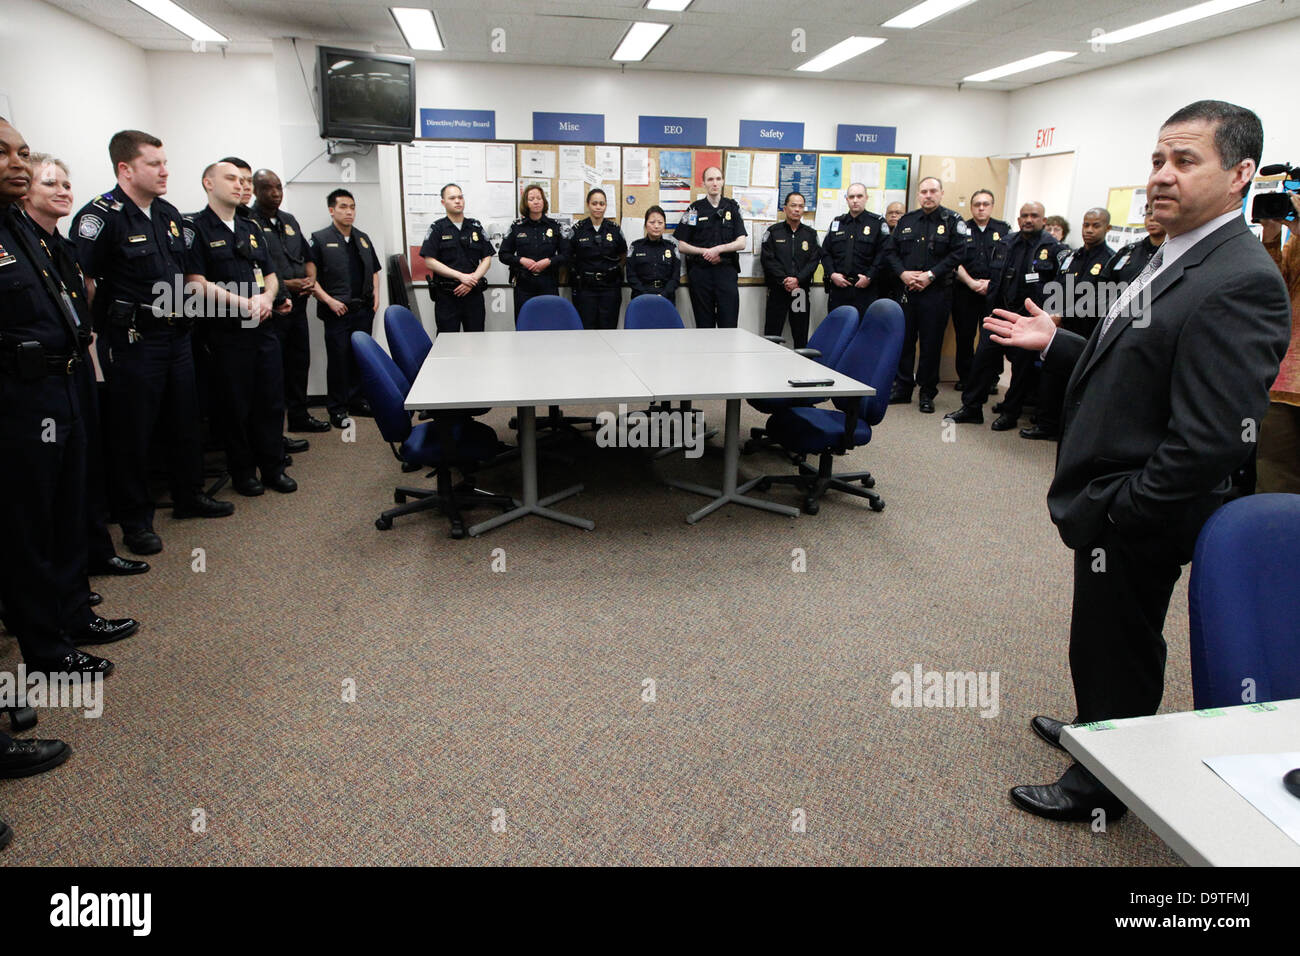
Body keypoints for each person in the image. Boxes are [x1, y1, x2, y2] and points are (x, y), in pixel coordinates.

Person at [984, 101, 1291, 822]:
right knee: (1105, 630)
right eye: (1157, 159)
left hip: (1141, 503)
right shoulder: (1174, 250)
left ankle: (1103, 783)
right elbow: (1134, 365)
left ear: (1241, 175)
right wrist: (1058, 343)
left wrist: (1126, 508)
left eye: (1185, 161)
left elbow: (1214, 435)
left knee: (1120, 633)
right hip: (1115, 490)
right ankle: (1103, 730)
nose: (1162, 176)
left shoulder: (1240, 279)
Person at [1, 116, 126, 690]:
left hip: (65, 384)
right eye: (5, 153)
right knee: (32, 526)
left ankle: (76, 613)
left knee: (70, 508)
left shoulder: (24, 230)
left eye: (23, 151)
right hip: (20, 399)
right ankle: (47, 650)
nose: (18, 163)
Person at [73, 129, 233, 557]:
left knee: (184, 421)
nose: (165, 171)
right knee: (132, 434)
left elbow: (182, 275)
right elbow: (82, 282)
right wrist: (94, 333)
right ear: (125, 169)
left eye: (165, 162)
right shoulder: (100, 217)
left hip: (176, 335)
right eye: (154, 164)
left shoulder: (166, 214)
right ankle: (135, 522)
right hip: (133, 339)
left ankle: (189, 496)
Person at [21, 153, 149, 579]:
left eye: (65, 185)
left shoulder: (63, 246)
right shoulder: (21, 246)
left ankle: (95, 554)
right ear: (25, 192)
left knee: (85, 468)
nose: (63, 192)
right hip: (36, 383)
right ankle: (59, 585)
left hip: (75, 370)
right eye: (50, 185)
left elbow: (83, 300)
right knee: (47, 485)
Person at [184, 161, 295, 496]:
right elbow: (194, 282)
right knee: (236, 406)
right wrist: (243, 303)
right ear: (208, 183)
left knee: (271, 401)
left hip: (262, 327)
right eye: (231, 179)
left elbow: (271, 274)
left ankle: (273, 468)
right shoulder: (195, 229)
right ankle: (244, 473)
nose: (239, 185)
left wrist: (267, 299)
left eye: (244, 180)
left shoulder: (250, 227)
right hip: (226, 332)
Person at [945, 202, 1063, 430]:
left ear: (1043, 220)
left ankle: (1010, 412)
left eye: (1034, 216)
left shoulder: (1054, 248)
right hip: (999, 314)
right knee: (982, 362)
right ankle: (971, 408)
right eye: (1024, 216)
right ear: (1018, 220)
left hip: (1028, 321)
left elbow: (1060, 286)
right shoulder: (1006, 243)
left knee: (1021, 369)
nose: (1029, 220)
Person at [1023, 207, 1116, 441]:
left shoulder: (1111, 260)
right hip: (1058, 326)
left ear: (1108, 228)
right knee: (1050, 375)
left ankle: (1068, 428)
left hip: (1085, 329)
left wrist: (1064, 315)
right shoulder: (1070, 257)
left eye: (1096, 225)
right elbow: (1055, 287)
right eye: (1086, 225)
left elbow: (1101, 299)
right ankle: (1046, 424)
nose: (1090, 230)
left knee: (1075, 380)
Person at [250, 168, 330, 434]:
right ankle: (276, 433)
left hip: (298, 307)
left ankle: (299, 416)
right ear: (255, 190)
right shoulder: (248, 223)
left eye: (279, 188)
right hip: (271, 312)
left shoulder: (289, 220)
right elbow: (254, 272)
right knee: (273, 372)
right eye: (268, 188)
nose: (275, 193)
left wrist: (310, 280)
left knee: (299, 363)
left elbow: (309, 259)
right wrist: (286, 285)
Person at [883, 177, 968, 413]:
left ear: (941, 193)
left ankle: (927, 393)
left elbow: (959, 253)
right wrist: (903, 275)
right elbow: (890, 252)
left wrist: (930, 275)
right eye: (923, 191)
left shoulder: (952, 221)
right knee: (905, 341)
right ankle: (903, 388)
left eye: (933, 191)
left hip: (937, 292)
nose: (928, 195)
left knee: (931, 344)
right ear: (918, 195)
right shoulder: (907, 220)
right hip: (908, 290)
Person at [310, 188, 382, 428]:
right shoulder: (319, 239)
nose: (349, 211)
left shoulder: (362, 238)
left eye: (352, 207)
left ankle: (357, 400)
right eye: (343, 207)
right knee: (339, 360)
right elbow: (310, 278)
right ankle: (337, 409)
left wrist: (376, 297)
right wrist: (328, 300)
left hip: (362, 310)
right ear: (331, 210)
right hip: (336, 311)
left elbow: (374, 270)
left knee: (360, 358)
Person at [1257, 193, 1300, 493]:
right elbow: (1275, 293)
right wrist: (1271, 237)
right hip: (1285, 382)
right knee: (1274, 481)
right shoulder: (1295, 240)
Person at [951, 189, 1011, 390]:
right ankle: (966, 377)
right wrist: (971, 283)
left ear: (992, 206)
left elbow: (1008, 262)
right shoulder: (961, 229)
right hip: (965, 291)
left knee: (991, 337)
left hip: (993, 293)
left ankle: (990, 379)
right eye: (977, 204)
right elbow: (953, 260)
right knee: (965, 337)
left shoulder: (1003, 230)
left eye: (986, 204)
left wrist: (990, 284)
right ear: (971, 207)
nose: (981, 208)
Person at [674, 166, 746, 328]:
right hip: (701, 274)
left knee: (728, 325)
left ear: (723, 181)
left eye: (718, 179)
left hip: (726, 273)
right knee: (704, 326)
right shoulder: (695, 209)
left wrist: (718, 249)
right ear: (703, 183)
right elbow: (682, 245)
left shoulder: (732, 208)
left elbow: (741, 242)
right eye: (710, 179)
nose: (715, 183)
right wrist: (705, 252)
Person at [419, 183, 492, 334]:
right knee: (447, 342)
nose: (458, 201)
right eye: (452, 198)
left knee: (477, 339)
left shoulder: (475, 226)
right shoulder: (437, 228)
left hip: (473, 295)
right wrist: (460, 277)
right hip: (448, 296)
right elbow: (429, 261)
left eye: (460, 197)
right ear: (443, 202)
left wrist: (471, 281)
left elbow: (487, 258)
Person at [497, 184, 568, 322]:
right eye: (531, 199)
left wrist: (549, 261)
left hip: (548, 283)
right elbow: (503, 254)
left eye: (539, 198)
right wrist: (521, 260)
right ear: (525, 203)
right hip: (524, 284)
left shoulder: (555, 226)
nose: (536, 201)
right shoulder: (517, 227)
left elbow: (566, 254)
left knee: (550, 322)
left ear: (544, 201)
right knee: (525, 323)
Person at [819, 182, 888, 319]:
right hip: (839, 289)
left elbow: (884, 253)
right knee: (837, 330)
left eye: (859, 196)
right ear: (847, 199)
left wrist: (869, 276)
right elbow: (825, 252)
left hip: (865, 289)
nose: (855, 200)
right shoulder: (837, 223)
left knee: (863, 332)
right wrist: (832, 274)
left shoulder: (877, 223)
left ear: (866, 198)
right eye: (851, 197)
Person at [760, 191, 821, 348]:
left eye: (800, 206)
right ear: (785, 208)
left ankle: (800, 370)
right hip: (778, 291)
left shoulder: (810, 234)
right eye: (793, 205)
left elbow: (813, 261)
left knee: (800, 335)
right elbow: (768, 260)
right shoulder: (773, 232)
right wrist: (784, 280)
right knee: (772, 336)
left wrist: (798, 280)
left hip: (799, 292)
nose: (797, 209)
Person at [569, 187, 627, 330]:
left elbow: (623, 254)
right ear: (588, 205)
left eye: (602, 203)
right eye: (594, 203)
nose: (598, 207)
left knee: (609, 329)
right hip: (585, 289)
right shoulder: (577, 229)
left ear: (606, 206)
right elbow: (568, 255)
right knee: (587, 330)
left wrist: (616, 270)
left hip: (609, 288)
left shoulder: (614, 229)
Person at [625, 205, 679, 301]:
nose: (656, 226)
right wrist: (645, 295)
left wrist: (664, 295)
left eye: (660, 222)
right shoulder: (636, 247)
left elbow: (675, 277)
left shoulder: (671, 247)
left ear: (665, 225)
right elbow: (631, 276)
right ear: (645, 225)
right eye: (652, 222)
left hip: (666, 298)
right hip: (641, 297)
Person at [1104, 207, 1166, 283]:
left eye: (1157, 213)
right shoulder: (1129, 251)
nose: (1152, 218)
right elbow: (1104, 283)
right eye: (1149, 213)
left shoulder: (1174, 252)